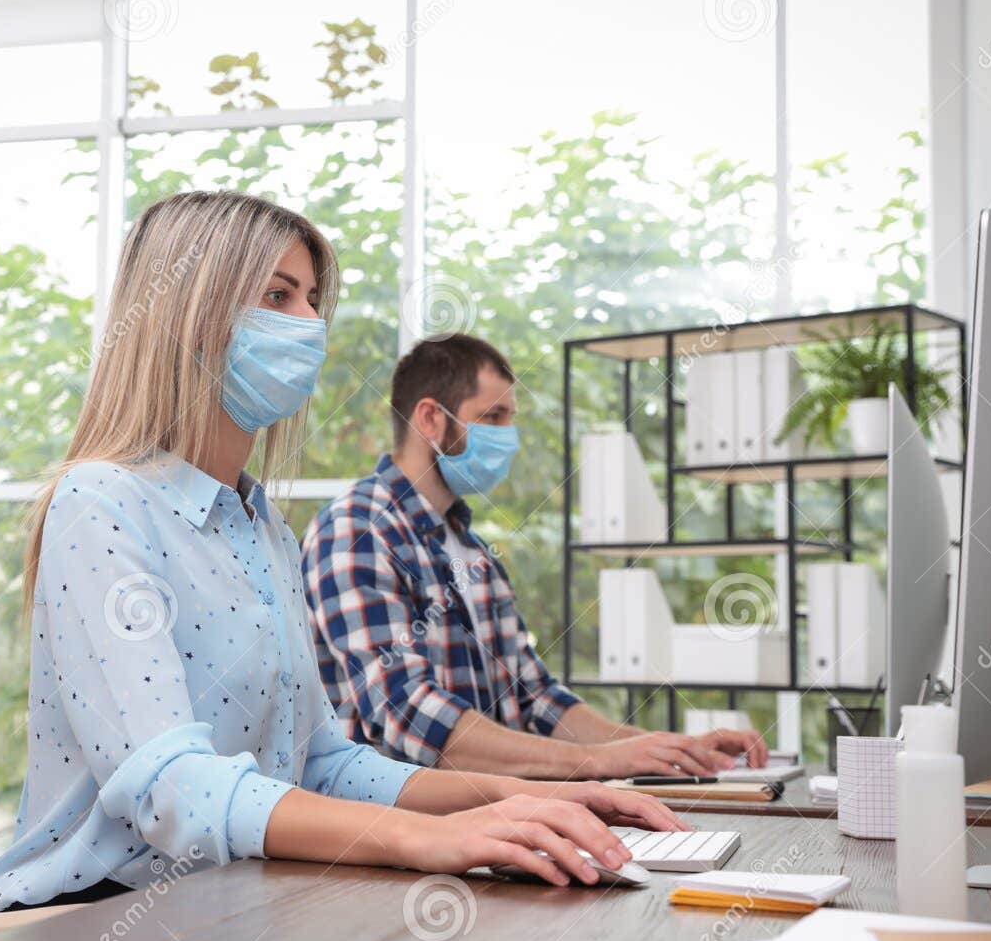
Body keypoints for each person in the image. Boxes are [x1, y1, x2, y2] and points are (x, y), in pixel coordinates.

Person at [0, 193, 687, 914]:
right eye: (278, 296)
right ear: (189, 316)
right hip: (88, 918)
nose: (311, 324)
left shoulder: (264, 529)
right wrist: (430, 837)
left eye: (313, 300)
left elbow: (323, 763)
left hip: (224, 903)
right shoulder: (101, 502)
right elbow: (173, 789)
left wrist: (524, 797)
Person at [301, 333, 770, 781]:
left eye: (510, 418)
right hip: (395, 826)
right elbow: (409, 715)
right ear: (430, 418)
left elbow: (536, 698)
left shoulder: (472, 551)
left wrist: (670, 750)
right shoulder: (356, 530)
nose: (509, 437)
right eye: (493, 417)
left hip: (491, 816)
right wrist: (597, 762)